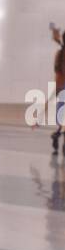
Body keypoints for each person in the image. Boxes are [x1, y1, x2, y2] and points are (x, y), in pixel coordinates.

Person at [51, 26, 65, 155]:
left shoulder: (59, 53)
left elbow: (57, 70)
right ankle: (58, 136)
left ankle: (57, 135)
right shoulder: (60, 53)